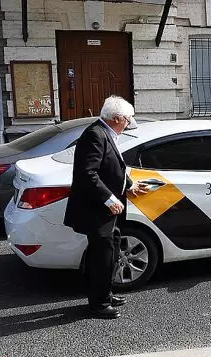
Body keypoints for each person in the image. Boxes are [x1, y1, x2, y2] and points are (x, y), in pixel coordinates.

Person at [64, 96, 149, 319]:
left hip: (105, 211)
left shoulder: (106, 133)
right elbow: (87, 174)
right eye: (128, 119)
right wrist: (110, 199)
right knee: (101, 257)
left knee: (108, 254)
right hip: (98, 210)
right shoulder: (95, 135)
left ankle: (105, 293)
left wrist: (129, 184)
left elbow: (113, 167)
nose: (129, 123)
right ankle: (98, 304)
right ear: (117, 118)